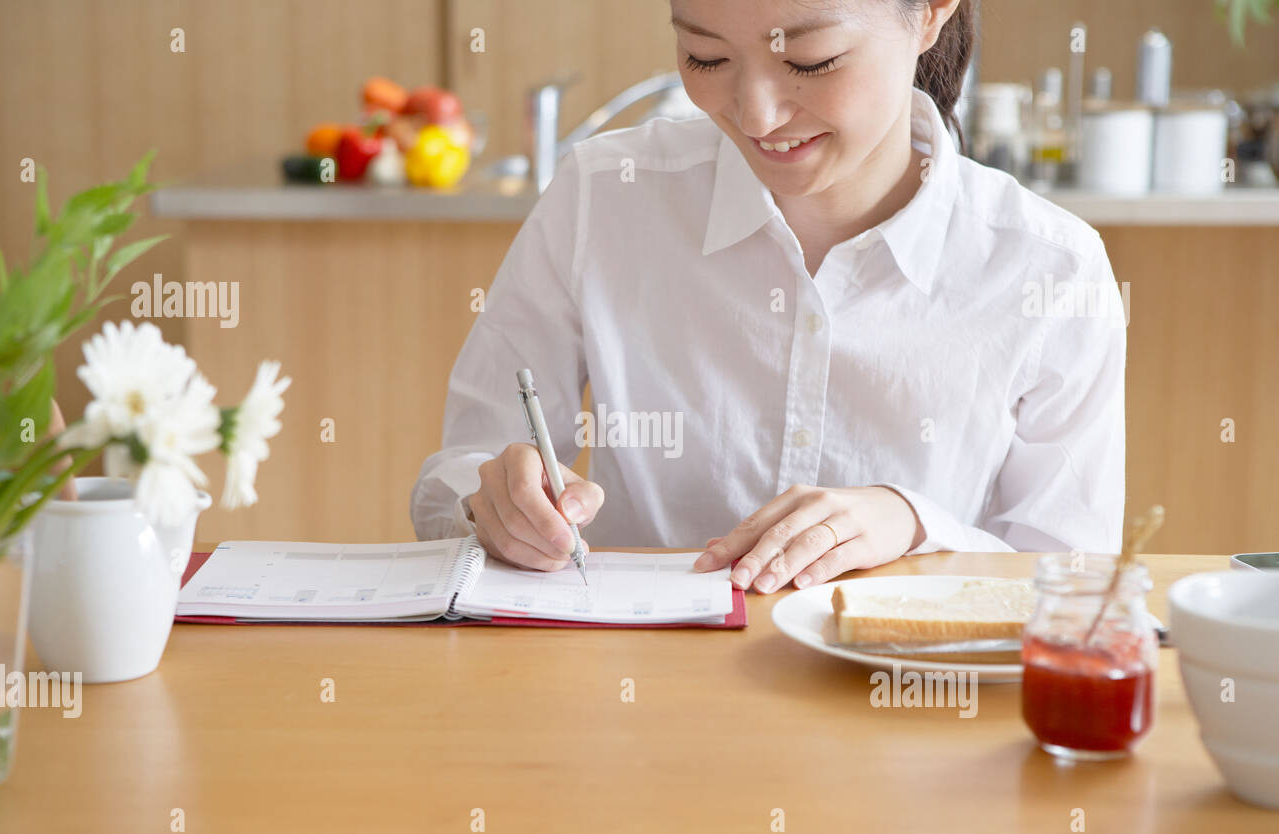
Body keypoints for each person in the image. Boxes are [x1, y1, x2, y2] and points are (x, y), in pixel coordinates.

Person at [412, 0, 1126, 595]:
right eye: (706, 58)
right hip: (639, 708)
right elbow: (459, 470)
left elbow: (1076, 584)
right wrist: (493, 502)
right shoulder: (605, 197)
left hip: (909, 726)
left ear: (931, 13)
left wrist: (911, 523)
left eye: (811, 62)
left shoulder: (1050, 268)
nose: (755, 115)